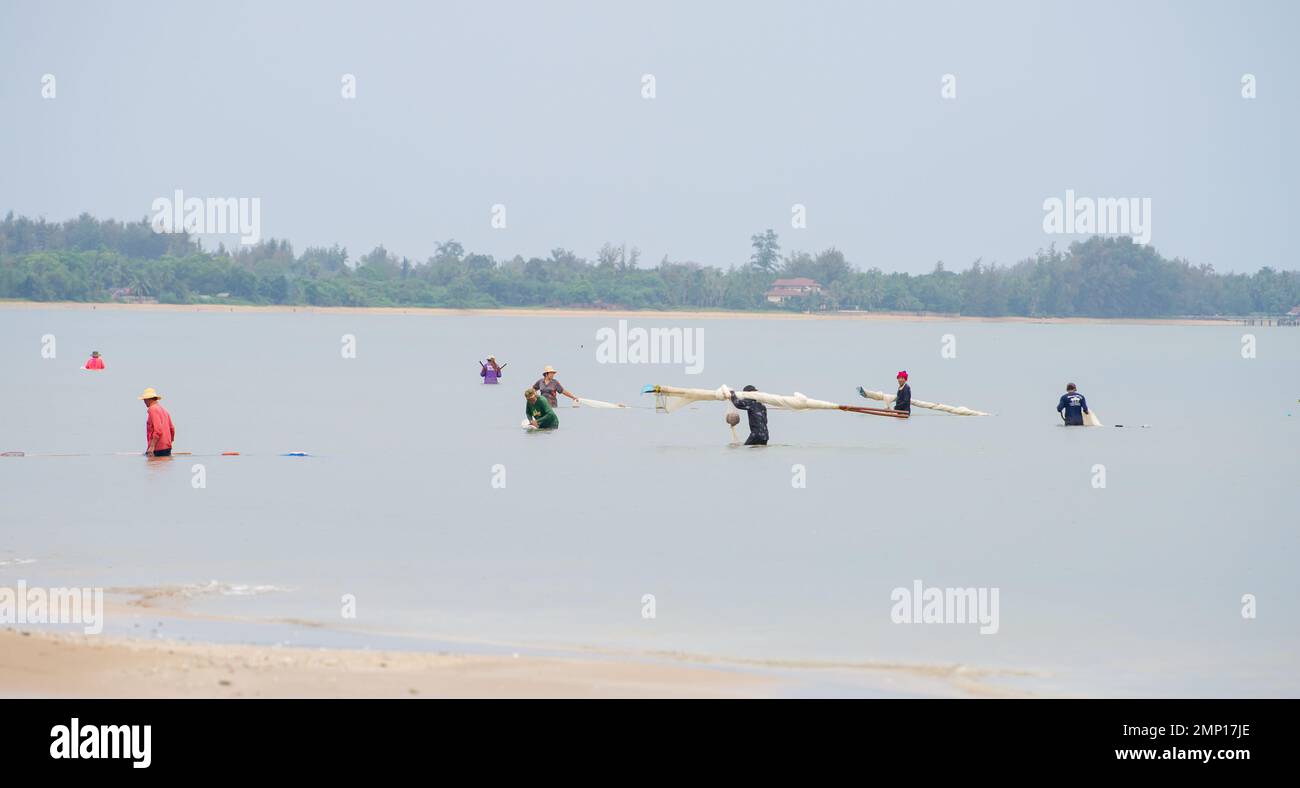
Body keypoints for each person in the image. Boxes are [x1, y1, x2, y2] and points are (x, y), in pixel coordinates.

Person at [139, 388, 176, 457]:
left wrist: (152, 446)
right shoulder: (164, 410)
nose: (144, 401)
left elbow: (158, 430)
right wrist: (169, 443)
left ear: (149, 399)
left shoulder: (152, 409)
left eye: (144, 399)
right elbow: (172, 429)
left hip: (157, 448)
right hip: (167, 447)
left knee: (152, 466)